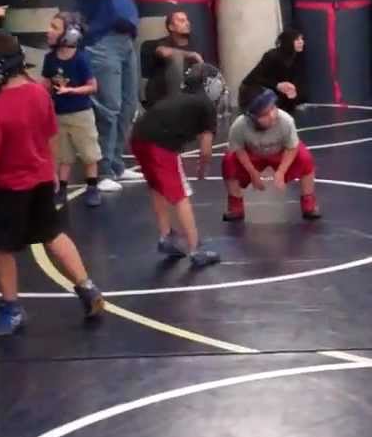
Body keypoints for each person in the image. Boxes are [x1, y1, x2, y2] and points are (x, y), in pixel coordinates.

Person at [0, 31, 106, 337]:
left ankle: (11, 308)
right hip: (40, 180)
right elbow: (51, 135)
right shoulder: (39, 94)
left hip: (7, 188)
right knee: (53, 234)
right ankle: (87, 287)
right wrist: (51, 170)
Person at [130, 62, 226, 267]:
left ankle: (165, 236)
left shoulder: (179, 96)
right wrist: (203, 168)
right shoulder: (205, 104)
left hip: (138, 137)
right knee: (181, 194)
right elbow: (206, 148)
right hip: (161, 144)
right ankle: (195, 249)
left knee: (157, 187)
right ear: (209, 84)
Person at [66, 0, 147, 193]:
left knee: (127, 105)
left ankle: (116, 164)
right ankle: (102, 171)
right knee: (107, 107)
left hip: (126, 38)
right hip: (101, 39)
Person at [222, 88, 319, 222]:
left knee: (305, 157)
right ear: (253, 118)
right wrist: (252, 172)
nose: (272, 115)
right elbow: (239, 150)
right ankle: (235, 205)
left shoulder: (285, 121)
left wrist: (281, 171)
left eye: (273, 108)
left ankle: (308, 202)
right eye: (265, 114)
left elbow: (292, 148)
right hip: (253, 154)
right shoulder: (239, 126)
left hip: (280, 153)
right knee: (228, 161)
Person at [42, 12, 103, 208]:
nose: (48, 31)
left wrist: (71, 90)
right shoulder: (50, 58)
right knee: (63, 156)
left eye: (54, 27)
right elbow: (45, 84)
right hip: (59, 114)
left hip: (81, 114)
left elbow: (92, 86)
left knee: (89, 153)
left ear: (70, 34)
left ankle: (92, 186)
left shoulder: (80, 59)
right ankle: (62, 189)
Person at [141, 11, 203, 107]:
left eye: (187, 20)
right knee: (177, 58)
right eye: (181, 20)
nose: (187, 23)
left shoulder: (195, 46)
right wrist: (190, 55)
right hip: (162, 96)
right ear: (171, 27)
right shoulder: (162, 43)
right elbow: (163, 52)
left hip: (189, 96)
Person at [240, 29, 308, 114]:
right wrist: (277, 85)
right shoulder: (272, 56)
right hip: (253, 90)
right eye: (297, 39)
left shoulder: (296, 57)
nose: (301, 42)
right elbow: (254, 78)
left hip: (274, 92)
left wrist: (292, 92)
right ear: (288, 41)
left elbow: (293, 81)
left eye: (302, 39)